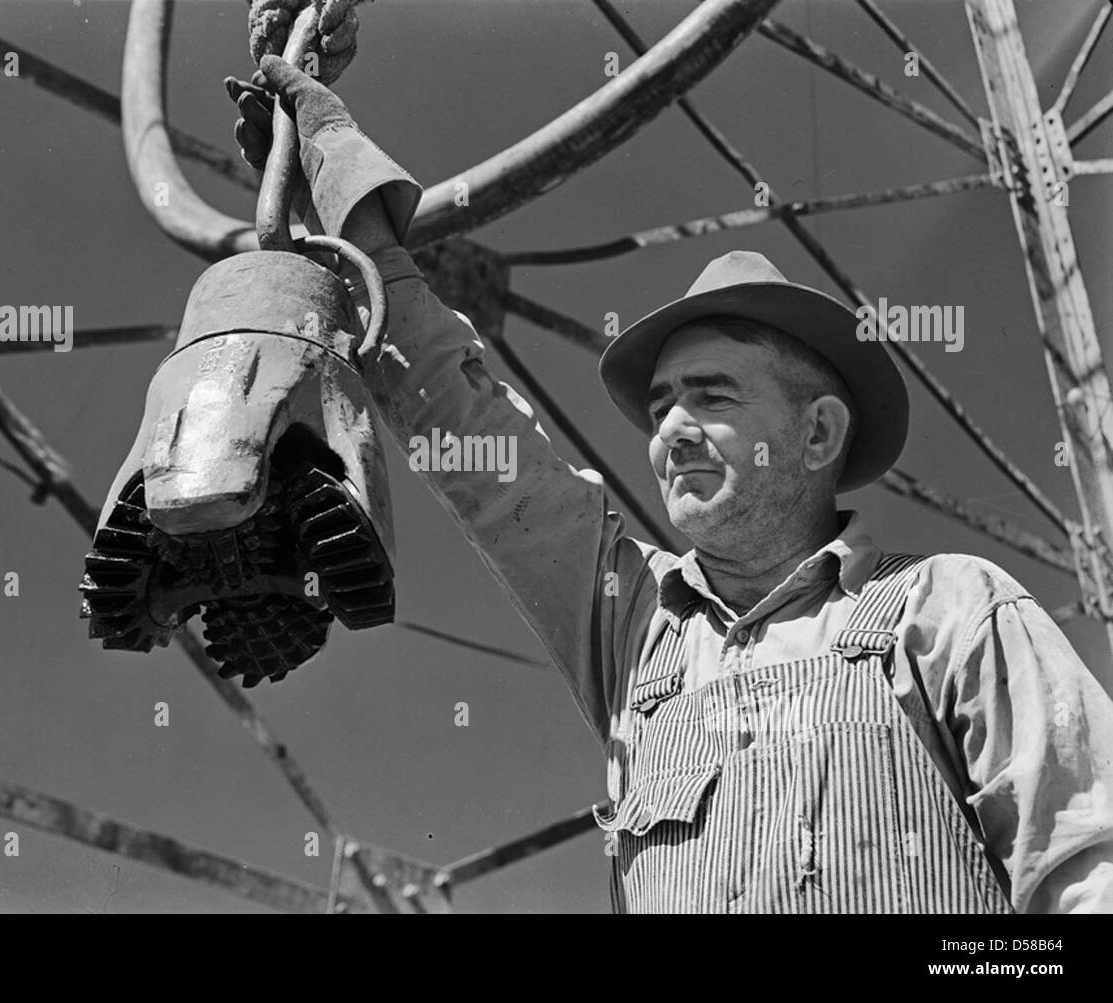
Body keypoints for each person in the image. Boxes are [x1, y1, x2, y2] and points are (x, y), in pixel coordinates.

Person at [224, 56, 1113, 914]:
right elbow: (474, 436)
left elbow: (1089, 865)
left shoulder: (950, 611)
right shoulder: (636, 626)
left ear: (817, 433)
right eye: (660, 407)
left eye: (711, 395)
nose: (672, 428)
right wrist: (342, 210)